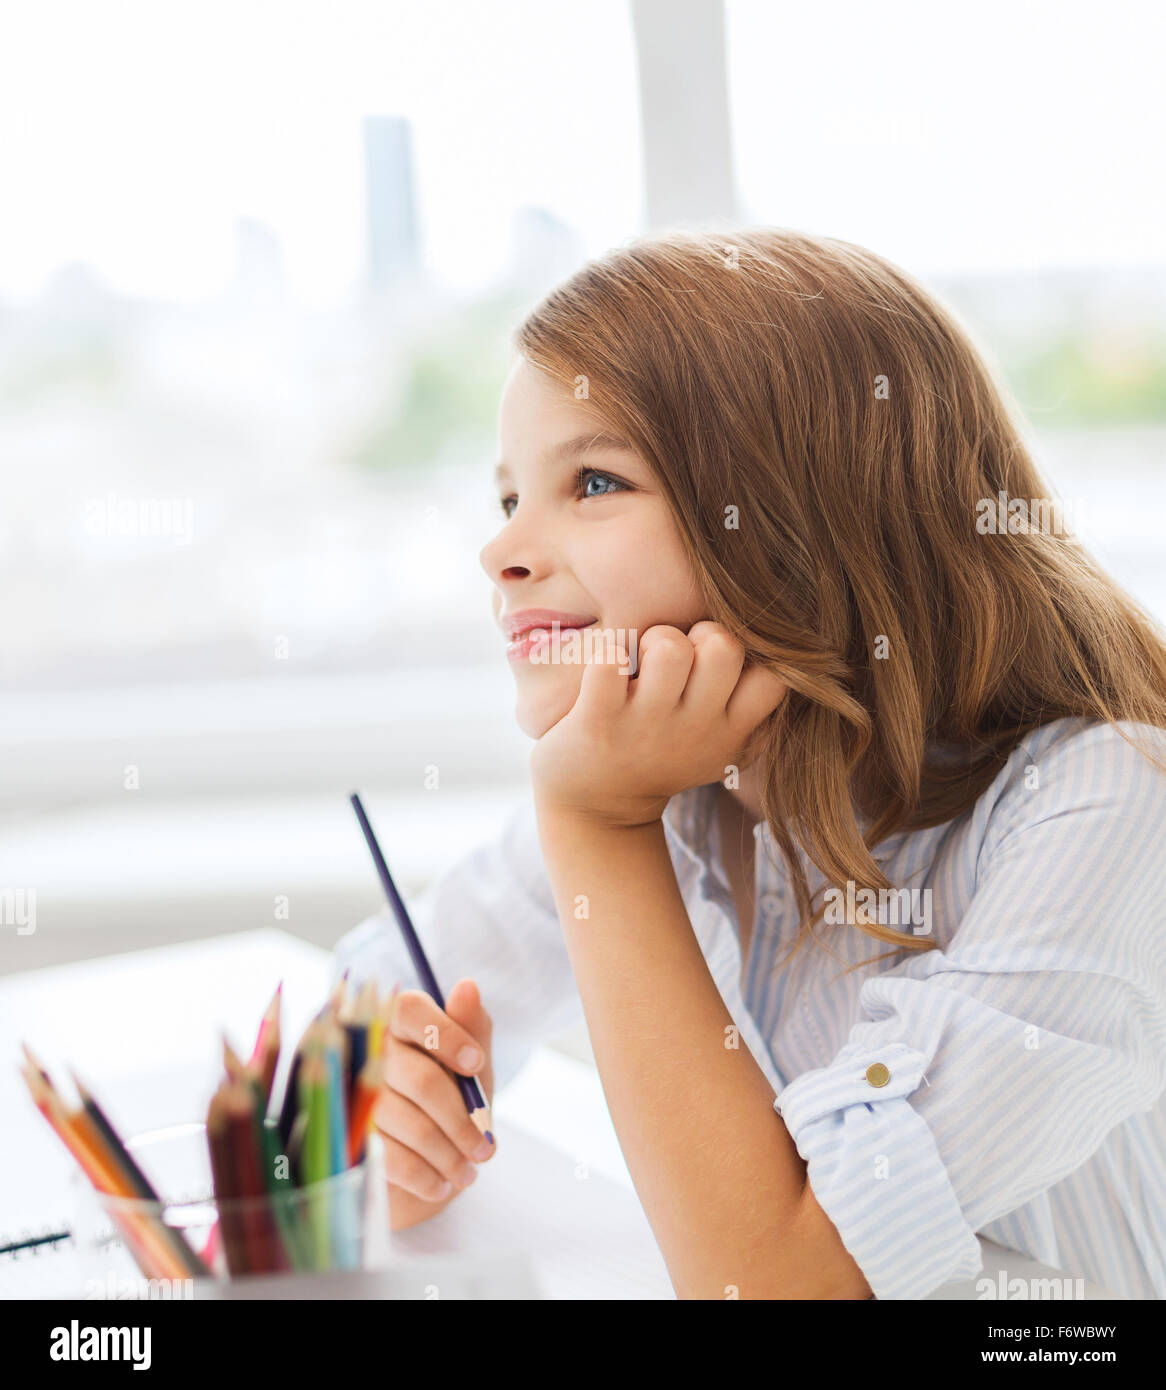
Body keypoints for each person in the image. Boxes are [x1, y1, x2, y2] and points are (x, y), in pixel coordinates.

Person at [334, 228, 1166, 1300]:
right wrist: (383, 1094)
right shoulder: (672, 783)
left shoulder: (1102, 801)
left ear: (798, 523)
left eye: (591, 480)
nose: (501, 552)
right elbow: (357, 1014)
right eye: (507, 498)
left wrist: (598, 827)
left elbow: (778, 1283)